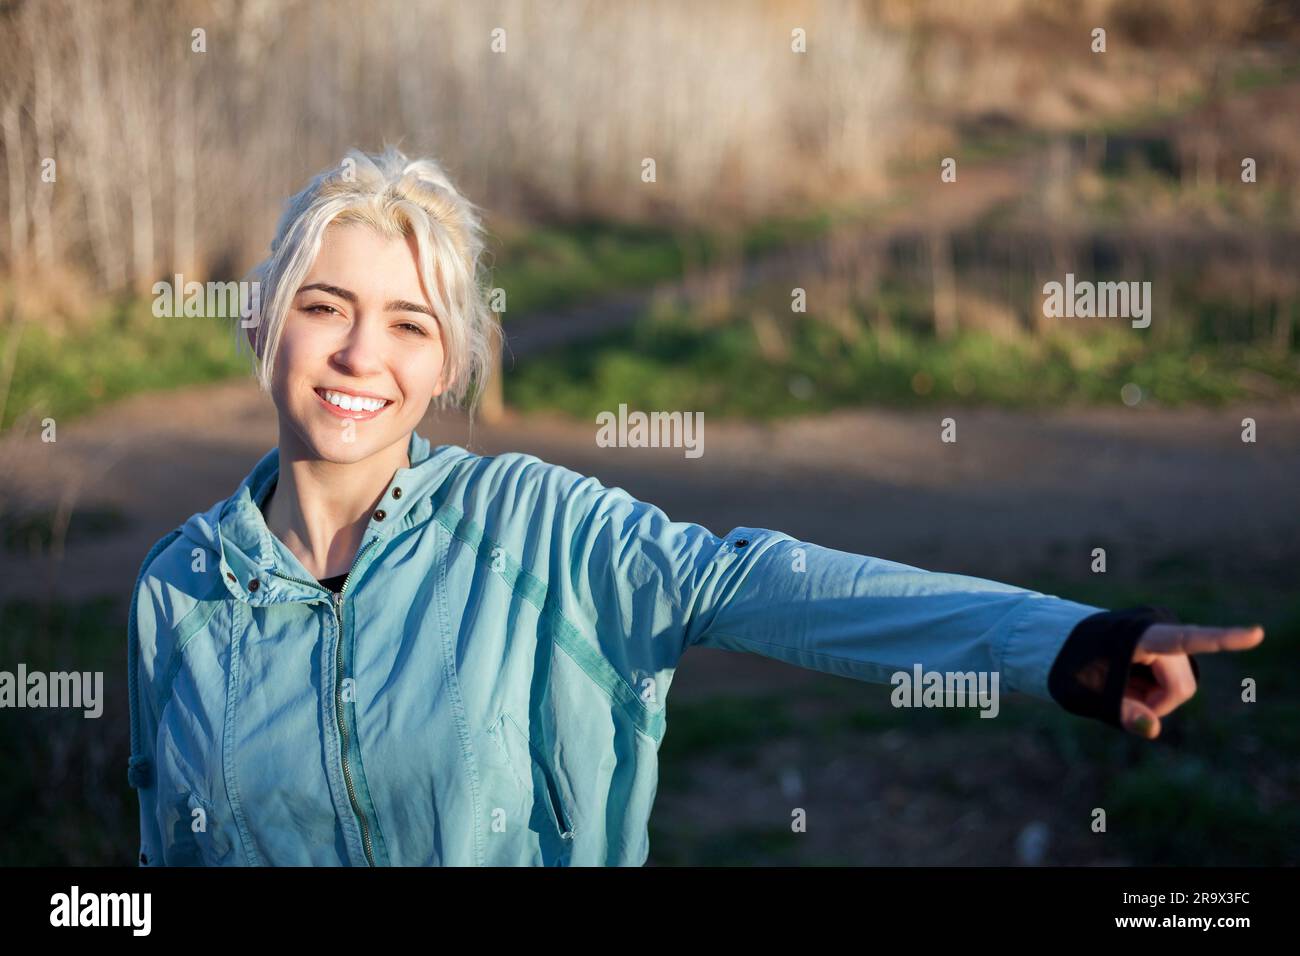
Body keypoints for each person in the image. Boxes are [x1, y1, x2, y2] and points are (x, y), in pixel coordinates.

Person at [127, 147, 1265, 866]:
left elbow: (764, 584)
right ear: (262, 321)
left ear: (449, 366)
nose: (360, 352)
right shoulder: (174, 594)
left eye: (410, 323)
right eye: (326, 305)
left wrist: (1067, 641)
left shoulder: (536, 528)